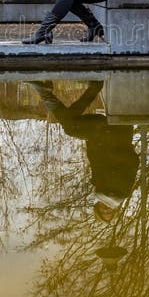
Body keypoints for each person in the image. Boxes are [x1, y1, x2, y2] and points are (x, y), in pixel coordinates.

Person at [31, 80, 139, 222]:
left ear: (97, 207)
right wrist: (109, 148)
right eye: (109, 212)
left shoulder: (99, 185)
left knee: (70, 123)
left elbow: (96, 158)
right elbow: (133, 161)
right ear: (115, 210)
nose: (106, 209)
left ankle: (88, 88)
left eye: (102, 211)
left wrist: (94, 142)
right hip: (114, 134)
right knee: (70, 125)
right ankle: (46, 92)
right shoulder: (122, 190)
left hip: (101, 135)